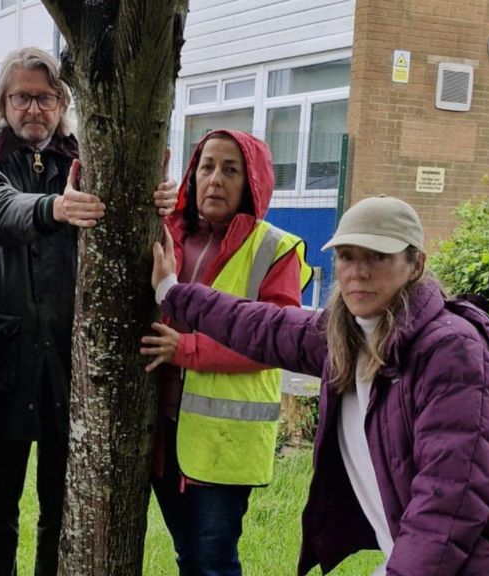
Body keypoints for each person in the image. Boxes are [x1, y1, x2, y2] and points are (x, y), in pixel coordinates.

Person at [148, 196, 489, 576]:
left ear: (416, 265)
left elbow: (450, 502)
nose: (358, 273)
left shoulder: (451, 351)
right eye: (347, 257)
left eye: (378, 257)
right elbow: (261, 325)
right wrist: (172, 291)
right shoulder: (346, 336)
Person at [0, 46, 178, 576]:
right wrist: (53, 207)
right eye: (22, 97)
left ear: (62, 102)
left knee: (60, 502)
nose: (34, 109)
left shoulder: (84, 155)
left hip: (69, 359)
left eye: (46, 97)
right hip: (3, 355)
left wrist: (160, 198)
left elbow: (127, 212)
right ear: (2, 102)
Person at [139, 130, 311, 576]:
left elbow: (273, 342)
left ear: (252, 181)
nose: (215, 179)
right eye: (206, 166)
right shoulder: (163, 233)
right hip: (163, 433)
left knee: (214, 562)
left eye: (230, 169)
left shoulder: (273, 249)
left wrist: (187, 348)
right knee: (188, 556)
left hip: (225, 445)